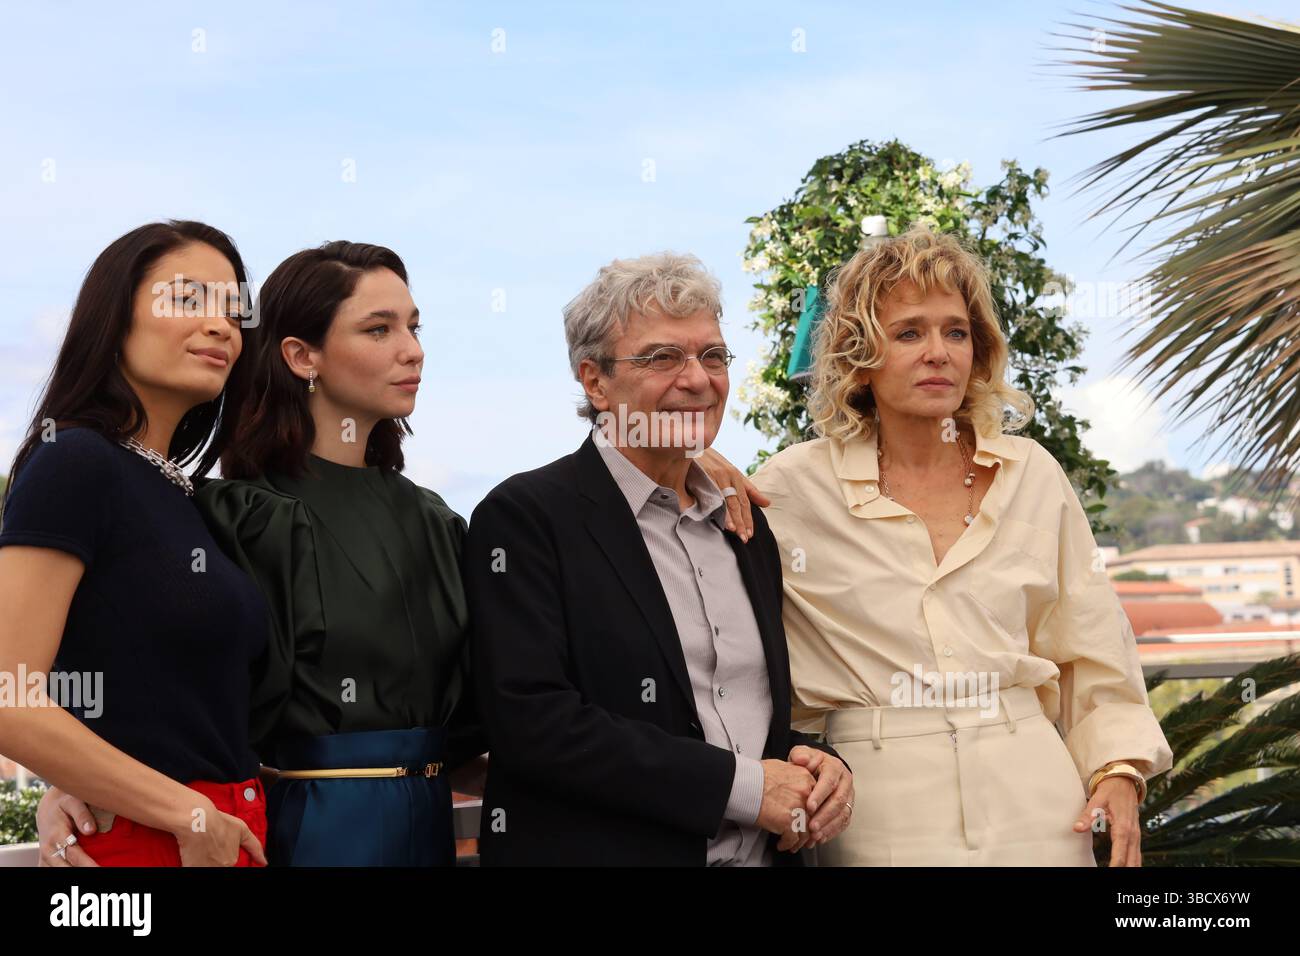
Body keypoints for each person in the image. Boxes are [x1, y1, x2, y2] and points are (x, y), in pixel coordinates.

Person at [701, 224, 1173, 866]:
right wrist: (697, 464)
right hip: (875, 805)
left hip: (1037, 794)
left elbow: (1091, 642)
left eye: (955, 331)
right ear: (860, 358)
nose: (938, 353)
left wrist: (1117, 767)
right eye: (908, 333)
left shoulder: (1032, 473)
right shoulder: (789, 488)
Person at [36, 240, 486, 866]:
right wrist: (68, 783)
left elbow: (481, 711)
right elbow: (156, 675)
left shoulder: (440, 521)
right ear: (302, 356)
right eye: (379, 329)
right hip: (293, 831)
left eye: (414, 326)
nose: (413, 350)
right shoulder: (227, 513)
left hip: (431, 829)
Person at [466, 252, 852, 866]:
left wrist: (818, 763)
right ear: (594, 381)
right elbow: (533, 724)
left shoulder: (742, 524)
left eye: (714, 355)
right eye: (662, 357)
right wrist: (749, 789)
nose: (697, 379)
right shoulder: (526, 518)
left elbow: (734, 715)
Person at [1, 220, 269, 867]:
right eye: (187, 298)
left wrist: (74, 779)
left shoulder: (178, 493)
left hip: (223, 832)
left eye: (234, 312)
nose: (221, 326)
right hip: (154, 841)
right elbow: (10, 695)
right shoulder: (75, 460)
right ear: (113, 316)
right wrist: (186, 811)